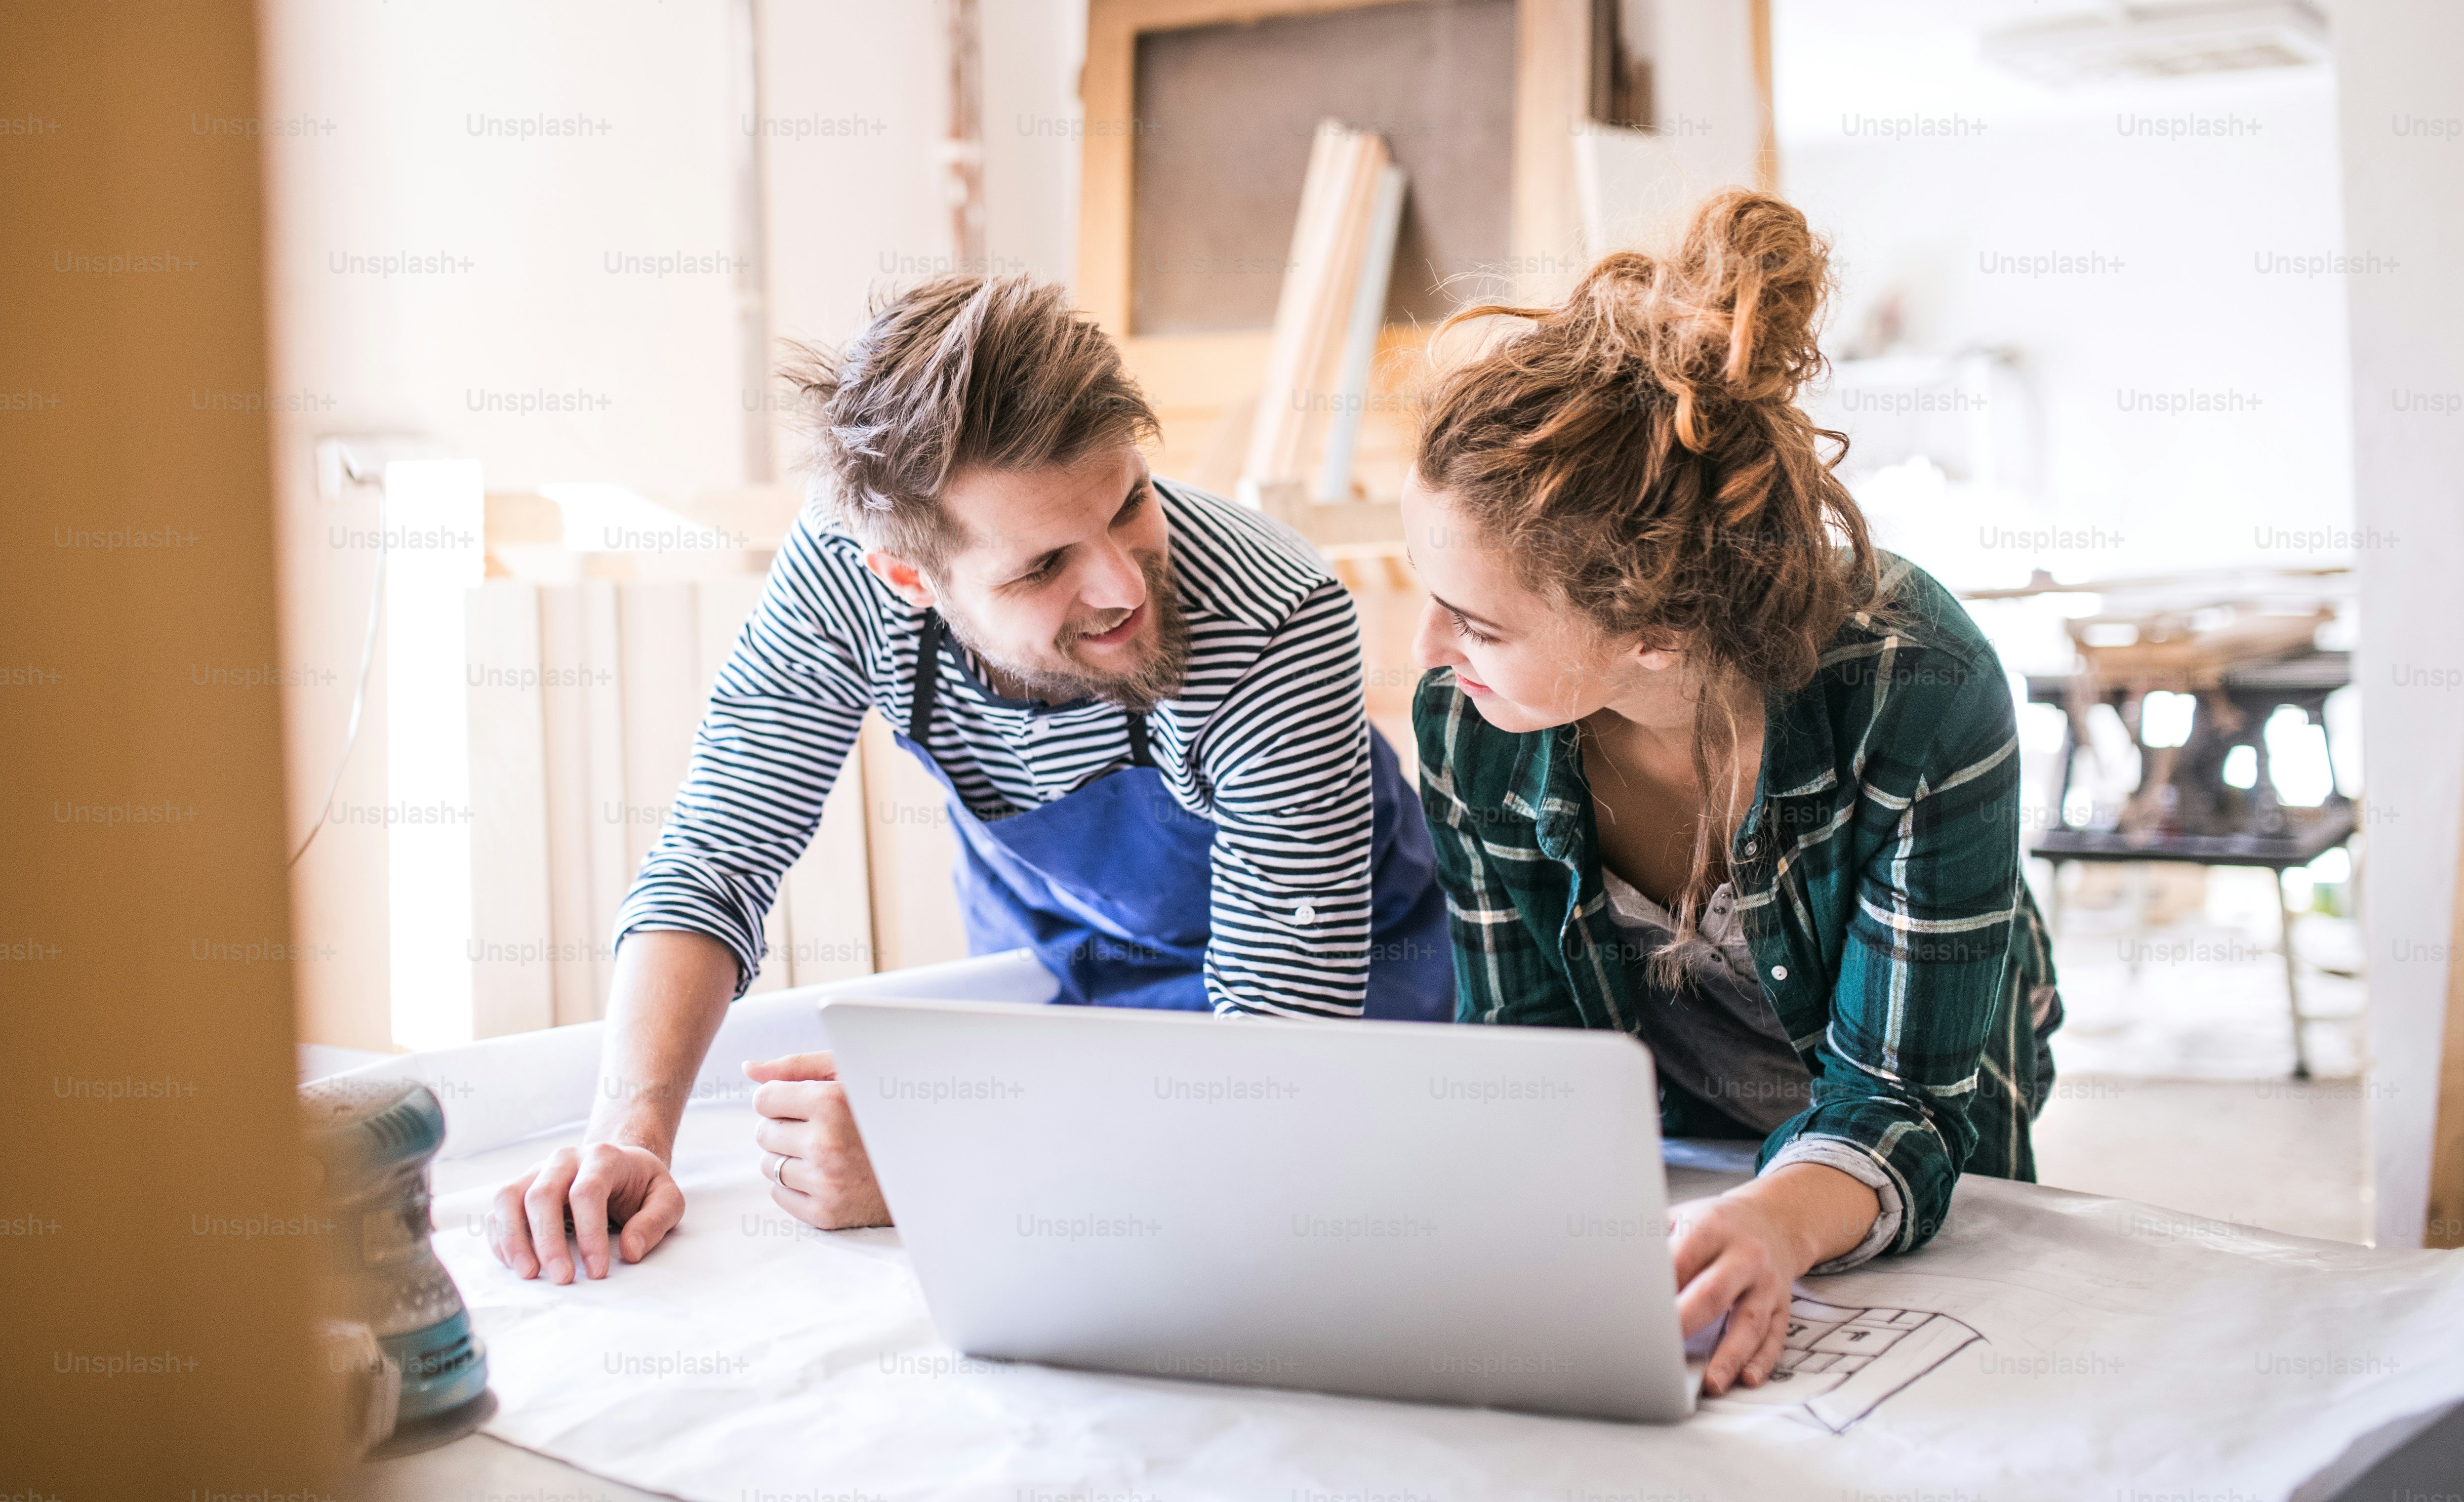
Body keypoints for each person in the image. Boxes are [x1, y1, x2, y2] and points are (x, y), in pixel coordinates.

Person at [492, 273, 1452, 1281]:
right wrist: (633, 1129)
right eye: (1042, 567)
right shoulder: (843, 568)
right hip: (1060, 958)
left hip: (1335, 987)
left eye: (1130, 502)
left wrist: (945, 1156)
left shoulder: (1279, 619)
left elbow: (1277, 1072)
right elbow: (716, 852)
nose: (1124, 585)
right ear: (910, 581)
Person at [1399, 190, 2061, 1399]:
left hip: (1917, 1121)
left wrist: (1774, 1219)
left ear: (1651, 632)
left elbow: (1906, 1102)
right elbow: (1531, 1059)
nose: (1427, 647)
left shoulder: (1925, 690)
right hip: (1685, 1146)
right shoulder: (1471, 723)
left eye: (1477, 623)